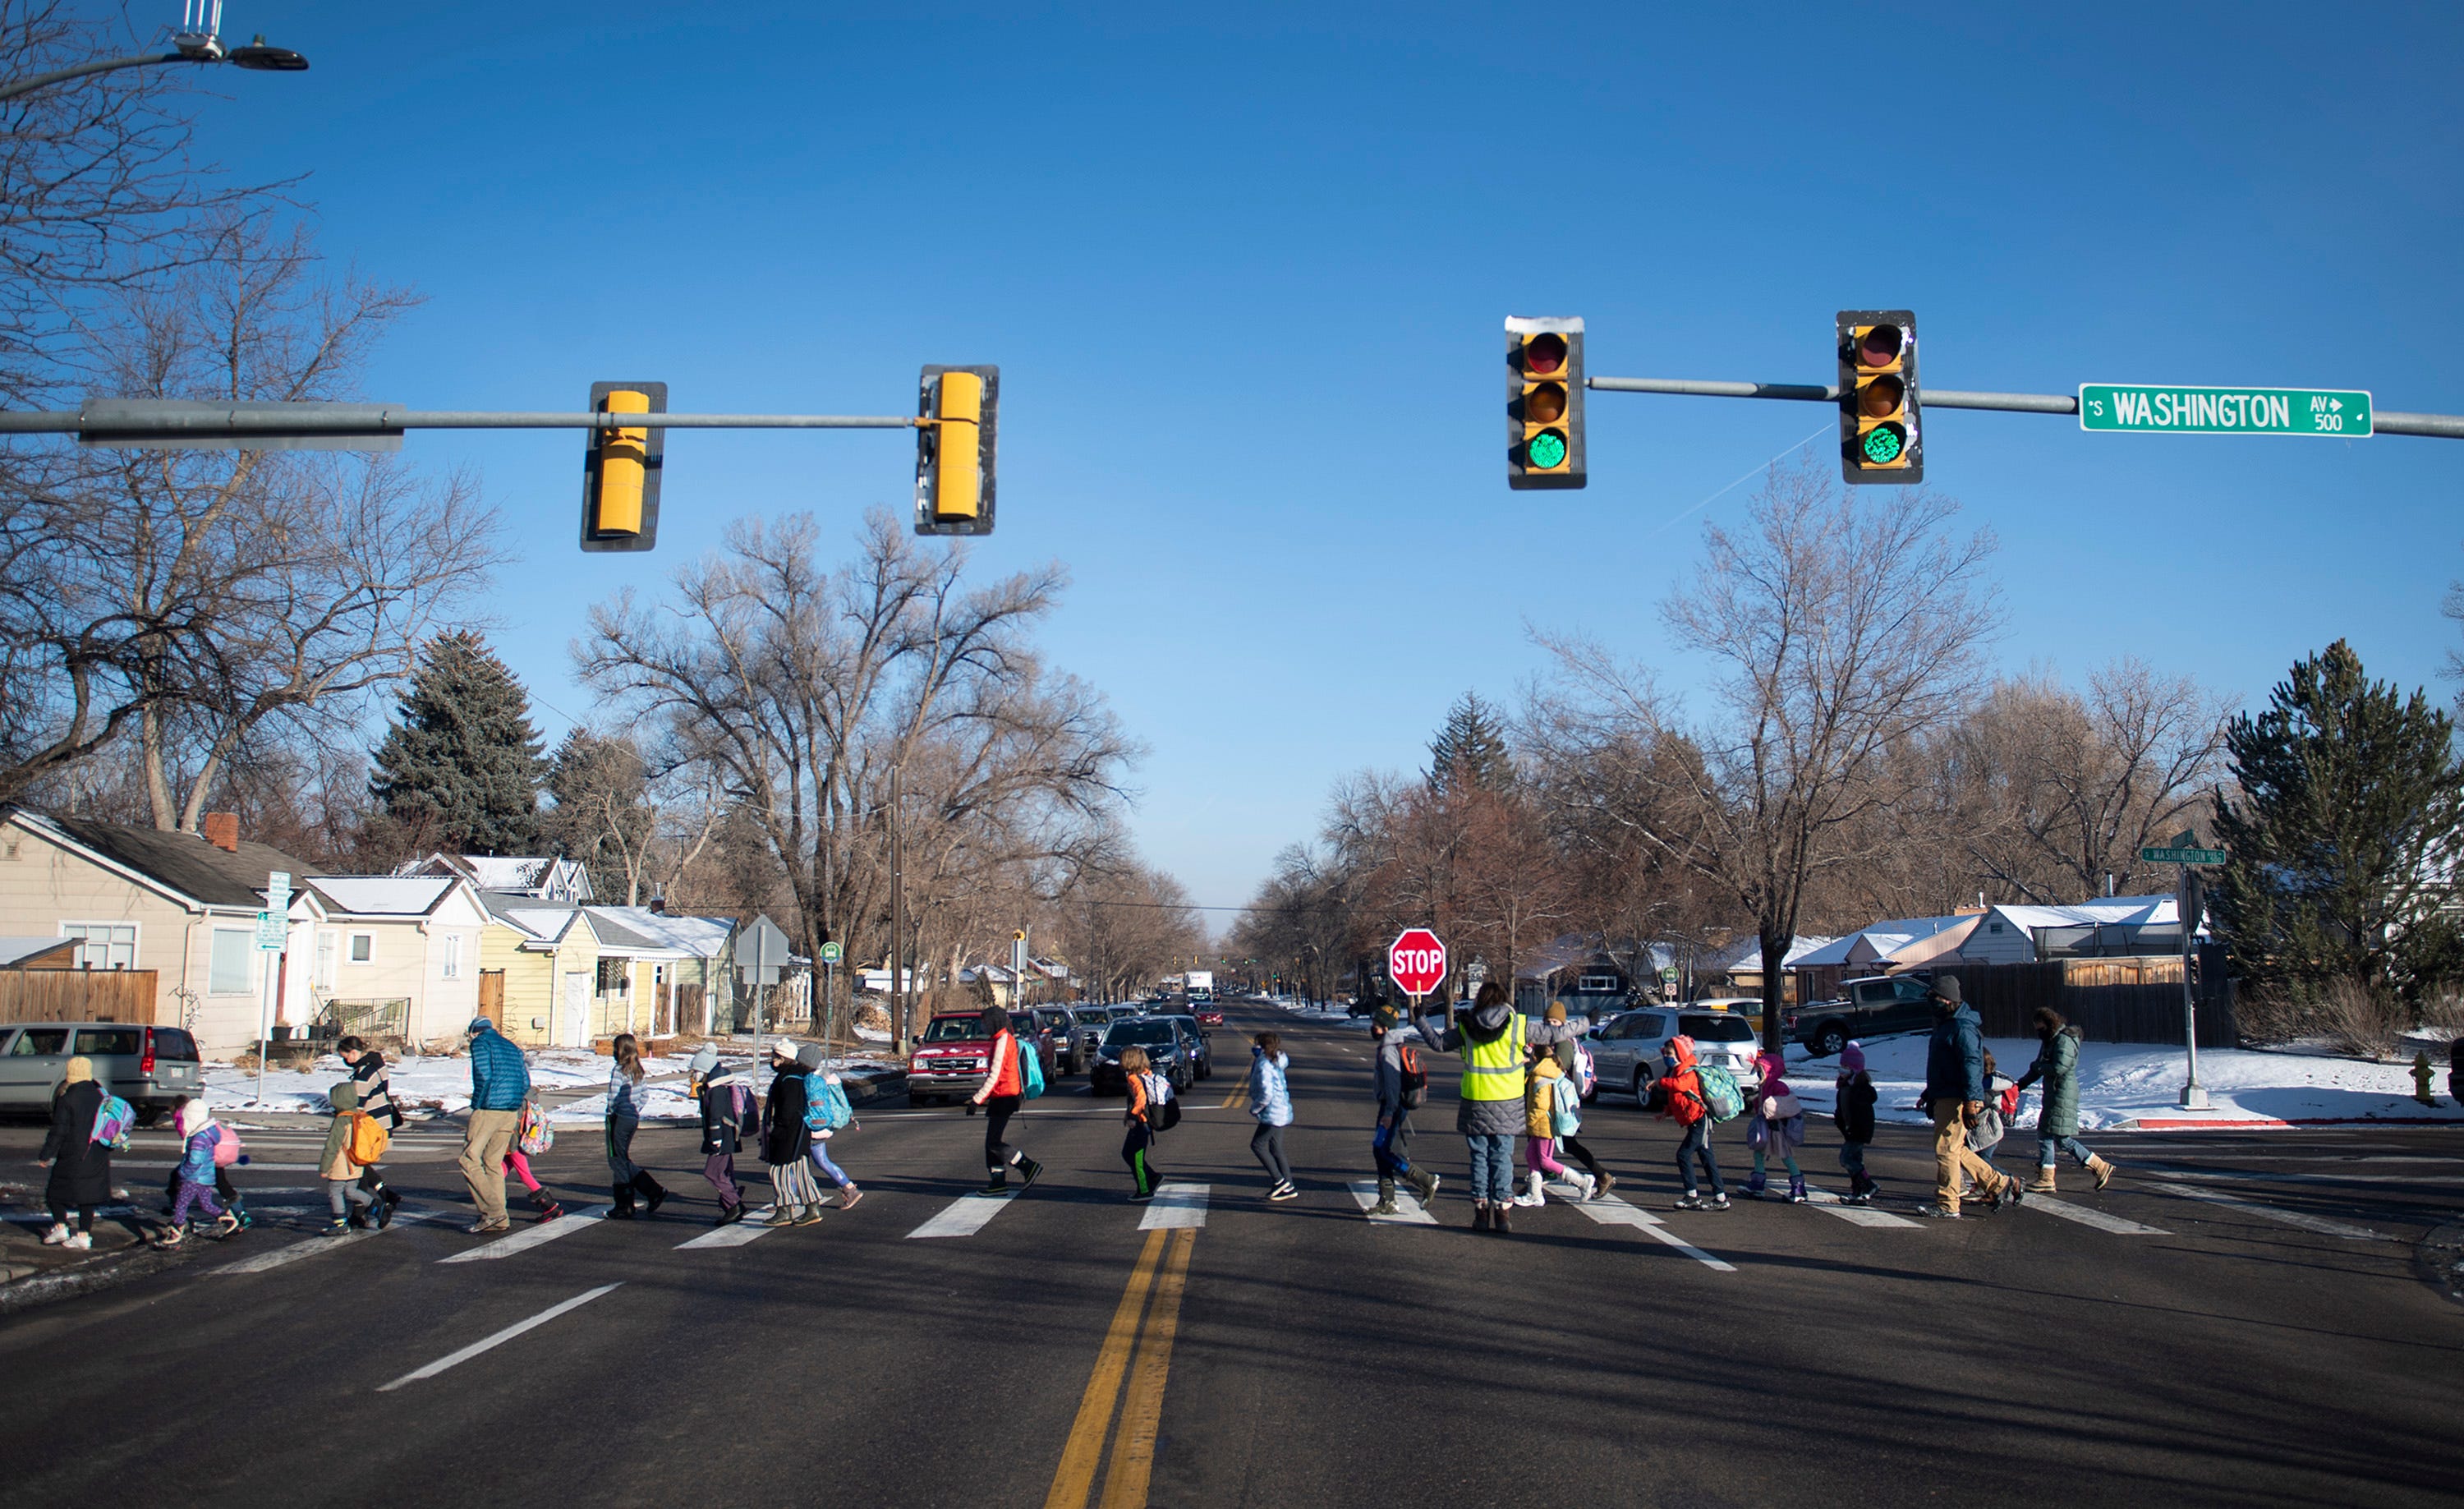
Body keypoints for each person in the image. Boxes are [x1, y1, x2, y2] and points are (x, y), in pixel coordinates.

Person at [1416, 982, 1528, 1235]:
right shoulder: (1518, 1024)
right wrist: (1588, 1021)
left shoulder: (1467, 1025)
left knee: (1479, 1157)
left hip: (1476, 1098)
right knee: (1502, 1156)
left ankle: (1481, 1212)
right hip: (1508, 1101)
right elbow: (1553, 1033)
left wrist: (1420, 1020)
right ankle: (1502, 1212)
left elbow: (1439, 1044)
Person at [1916, 977, 2022, 1219]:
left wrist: (1971, 1102)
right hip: (1945, 1094)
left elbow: (1972, 1065)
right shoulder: (1947, 1024)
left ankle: (1948, 1203)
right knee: (1955, 1149)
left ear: (1947, 1000)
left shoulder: (1962, 1027)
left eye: (1933, 998)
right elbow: (1943, 1067)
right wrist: (1930, 1094)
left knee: (1946, 1149)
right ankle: (2001, 1183)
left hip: (1956, 1097)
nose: (1930, 1003)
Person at [2014, 1007, 2116, 1193]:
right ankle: (2093, 1166)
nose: (2038, 1031)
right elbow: (2039, 1067)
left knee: (2053, 1135)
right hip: (2054, 1092)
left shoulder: (2064, 1040)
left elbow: (2059, 1067)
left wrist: (2038, 1067)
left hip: (2062, 1093)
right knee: (2053, 1136)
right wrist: (2019, 1085)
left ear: (2049, 1023)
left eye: (2040, 1026)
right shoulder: (2050, 1040)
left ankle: (2054, 1176)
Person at [457, 1015, 530, 1235]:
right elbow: (525, 1081)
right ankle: (501, 1218)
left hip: (489, 1108)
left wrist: (478, 1103)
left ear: (474, 1031)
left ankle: (492, 1212)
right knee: (493, 1162)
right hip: (510, 1110)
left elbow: (483, 1075)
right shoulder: (511, 1046)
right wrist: (514, 1100)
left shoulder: (481, 1043)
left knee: (469, 1159)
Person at [1368, 1008, 1440, 1215]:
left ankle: (1425, 1180)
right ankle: (1387, 1200)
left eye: (1376, 1025)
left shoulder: (1388, 1050)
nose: (1373, 1028)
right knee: (1380, 1149)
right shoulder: (1392, 1045)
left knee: (1383, 1150)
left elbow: (1393, 1084)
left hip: (1392, 1106)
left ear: (1386, 1028)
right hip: (1393, 1105)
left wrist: (1389, 1113)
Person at [37, 1056, 110, 1249]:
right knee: (89, 1196)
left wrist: (46, 1155)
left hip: (73, 1152)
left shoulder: (67, 1098)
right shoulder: (102, 1097)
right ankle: (84, 1236)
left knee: (55, 1192)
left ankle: (60, 1227)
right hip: (97, 1151)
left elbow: (59, 1131)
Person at [968, 1006, 1043, 1194]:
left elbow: (995, 1075)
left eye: (985, 1022)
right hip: (1002, 1095)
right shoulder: (1002, 1039)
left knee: (994, 1143)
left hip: (1006, 1095)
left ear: (993, 1022)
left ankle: (1027, 1165)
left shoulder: (1003, 1041)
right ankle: (998, 1181)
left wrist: (976, 1100)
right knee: (991, 1142)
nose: (983, 1026)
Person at [156, 1097, 240, 1247]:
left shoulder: (198, 1138)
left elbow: (195, 1160)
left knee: (181, 1204)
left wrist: (183, 1173)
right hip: (206, 1177)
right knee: (206, 1204)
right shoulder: (209, 1133)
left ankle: (177, 1230)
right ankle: (228, 1220)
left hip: (193, 1178)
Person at [760, 1040, 825, 1227]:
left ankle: (784, 1210)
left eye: (774, 1056)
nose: (772, 1060)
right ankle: (812, 1208)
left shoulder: (788, 1079)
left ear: (782, 1058)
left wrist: (778, 1130)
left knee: (778, 1171)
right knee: (800, 1170)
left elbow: (788, 1109)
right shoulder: (797, 1076)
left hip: (789, 1132)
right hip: (800, 1131)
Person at [1515, 1043, 1592, 1206]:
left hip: (1543, 1125)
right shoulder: (1550, 1070)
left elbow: (1540, 1104)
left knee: (1545, 1160)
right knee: (1531, 1155)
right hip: (1542, 1125)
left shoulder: (1540, 1075)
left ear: (1536, 1057)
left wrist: (1530, 1122)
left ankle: (1582, 1182)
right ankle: (1535, 1194)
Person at [338, 1035, 405, 1221]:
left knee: (357, 1164)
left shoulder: (363, 1074)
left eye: (345, 1056)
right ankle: (382, 1196)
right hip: (382, 1121)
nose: (345, 1060)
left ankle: (366, 1208)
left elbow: (356, 1105)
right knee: (361, 1165)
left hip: (368, 1126)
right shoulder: (378, 1064)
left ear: (354, 1052)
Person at [1661, 1036, 1730, 1211]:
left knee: (1683, 1155)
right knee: (1707, 1159)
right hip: (1695, 1121)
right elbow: (1678, 1099)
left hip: (1700, 1120)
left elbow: (1680, 1087)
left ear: (1680, 1054)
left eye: (1669, 1053)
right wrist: (1666, 1112)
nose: (1666, 1057)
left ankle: (1692, 1195)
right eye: (1665, 1053)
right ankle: (1720, 1197)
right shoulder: (1676, 1071)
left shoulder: (1688, 1072)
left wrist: (1658, 1082)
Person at [605, 1033, 669, 1219]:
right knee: (623, 1158)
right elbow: (645, 1096)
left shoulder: (619, 1070)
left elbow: (613, 1096)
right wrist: (635, 1110)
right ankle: (653, 1191)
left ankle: (625, 1204)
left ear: (620, 1050)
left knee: (616, 1159)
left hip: (619, 1118)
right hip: (632, 1118)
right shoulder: (638, 1070)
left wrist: (611, 1112)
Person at [691, 1045, 754, 1225]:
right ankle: (730, 1204)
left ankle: (734, 1203)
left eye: (696, 1071)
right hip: (727, 1137)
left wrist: (715, 1140)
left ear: (705, 1070)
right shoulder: (716, 1086)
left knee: (712, 1172)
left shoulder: (716, 1089)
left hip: (722, 1138)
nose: (694, 1075)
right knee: (725, 1171)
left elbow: (715, 1117)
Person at [799, 1042, 863, 1211]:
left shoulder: (810, 1081)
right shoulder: (825, 1079)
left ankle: (786, 1201)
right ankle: (849, 1188)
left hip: (811, 1127)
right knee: (822, 1161)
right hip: (822, 1127)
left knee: (794, 1163)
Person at [1551, 1039, 1614, 1198]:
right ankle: (1602, 1176)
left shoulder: (1563, 1043)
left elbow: (1556, 1070)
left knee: (1563, 1143)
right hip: (1559, 1101)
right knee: (1564, 1144)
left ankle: (1597, 1177)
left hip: (1562, 1103)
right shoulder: (1562, 1040)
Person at [319, 1082, 384, 1236]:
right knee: (351, 1191)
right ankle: (375, 1205)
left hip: (341, 1165)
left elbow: (332, 1146)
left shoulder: (341, 1120)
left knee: (335, 1191)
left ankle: (340, 1223)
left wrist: (324, 1168)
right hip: (357, 1162)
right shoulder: (359, 1115)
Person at [1745, 1049, 1808, 1203]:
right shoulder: (1764, 1086)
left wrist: (1767, 1107)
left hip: (1777, 1128)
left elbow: (1783, 1106)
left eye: (1761, 1071)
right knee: (1759, 1153)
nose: (1758, 1074)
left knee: (1785, 1156)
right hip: (1766, 1127)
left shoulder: (1778, 1087)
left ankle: (1798, 1187)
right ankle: (1757, 1186)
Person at [1246, 1032, 1297, 1200]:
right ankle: (1288, 1186)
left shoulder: (1264, 1065)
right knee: (1276, 1148)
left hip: (1273, 1112)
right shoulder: (1276, 1060)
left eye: (1257, 1044)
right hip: (1282, 1109)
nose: (1254, 1047)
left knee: (1257, 1145)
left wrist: (1256, 1108)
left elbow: (1267, 1094)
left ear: (1262, 1046)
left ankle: (1279, 1180)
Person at [1835, 1042, 1879, 1203]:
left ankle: (1868, 1184)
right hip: (1849, 1130)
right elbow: (1842, 1109)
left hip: (1859, 1130)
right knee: (1856, 1160)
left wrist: (1855, 1128)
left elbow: (1861, 1113)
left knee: (1846, 1158)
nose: (1842, 1070)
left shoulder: (1860, 1089)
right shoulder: (1844, 1086)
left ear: (1855, 1069)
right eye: (1841, 1066)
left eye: (1846, 1067)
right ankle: (1858, 1190)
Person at [1121, 1046, 1165, 1203]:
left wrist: (1133, 1115)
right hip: (1143, 1123)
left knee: (1135, 1158)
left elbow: (1141, 1098)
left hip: (1141, 1123)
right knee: (1127, 1154)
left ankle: (1145, 1190)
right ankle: (1153, 1177)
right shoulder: (1146, 1074)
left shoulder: (1134, 1078)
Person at [501, 1143, 566, 1222]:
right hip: (514, 1146)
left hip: (514, 1145)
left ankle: (551, 1206)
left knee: (525, 1175)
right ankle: (496, 1201)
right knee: (500, 1171)